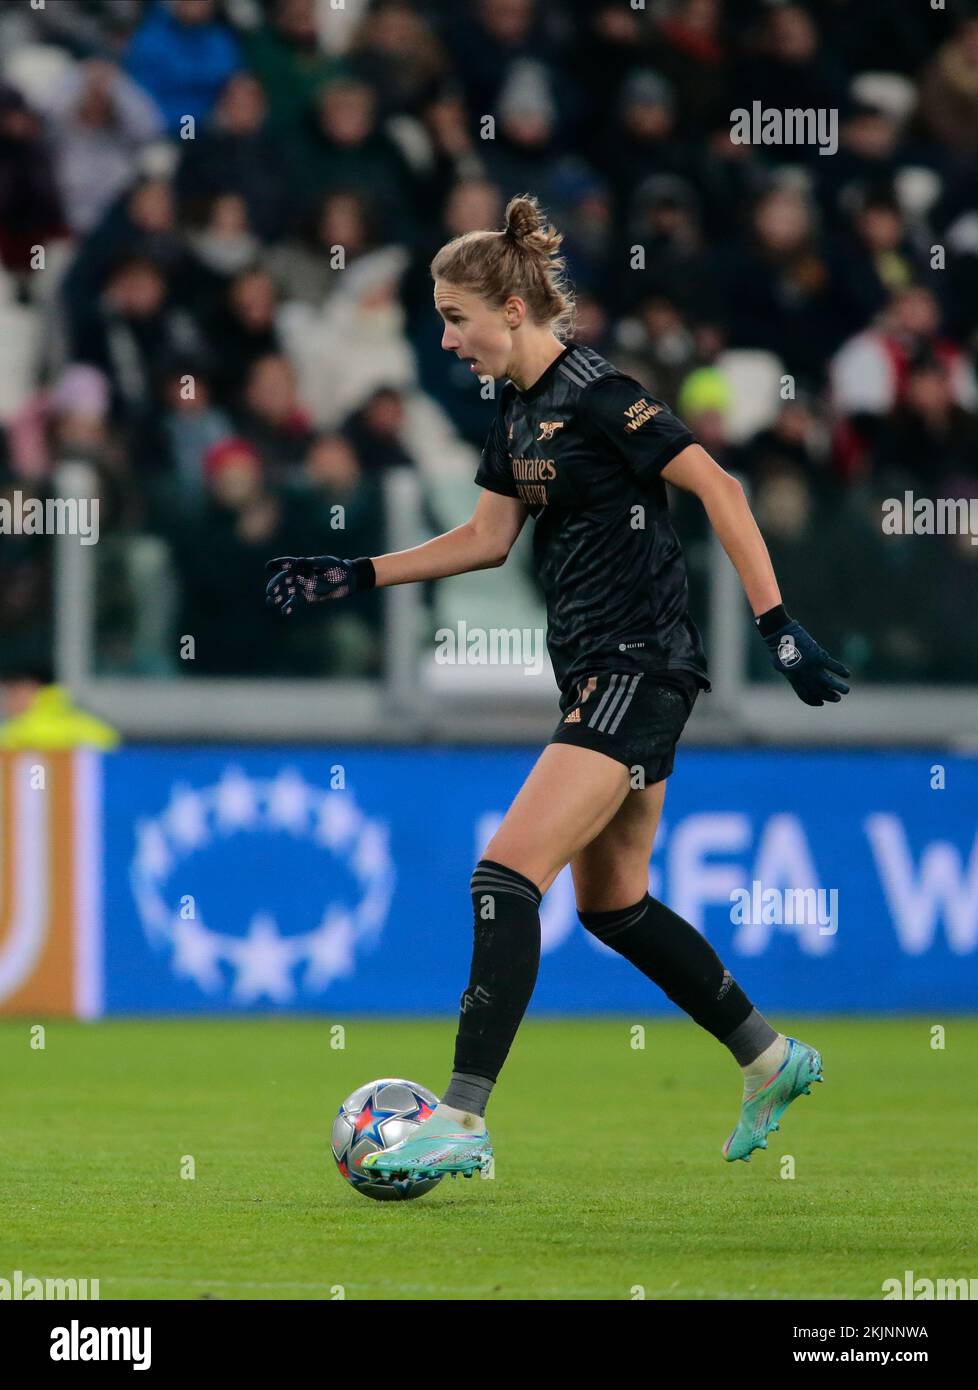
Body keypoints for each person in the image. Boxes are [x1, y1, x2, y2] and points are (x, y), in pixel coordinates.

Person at [265, 195, 849, 1178]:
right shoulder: (518, 408)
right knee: (613, 904)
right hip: (600, 667)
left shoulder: (597, 392)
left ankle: (463, 1117)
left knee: (503, 877)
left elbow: (720, 487)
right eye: (442, 318)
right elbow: (489, 539)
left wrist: (775, 622)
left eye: (457, 317)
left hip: (638, 664)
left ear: (513, 309)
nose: (447, 339)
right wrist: (358, 572)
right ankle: (770, 1055)